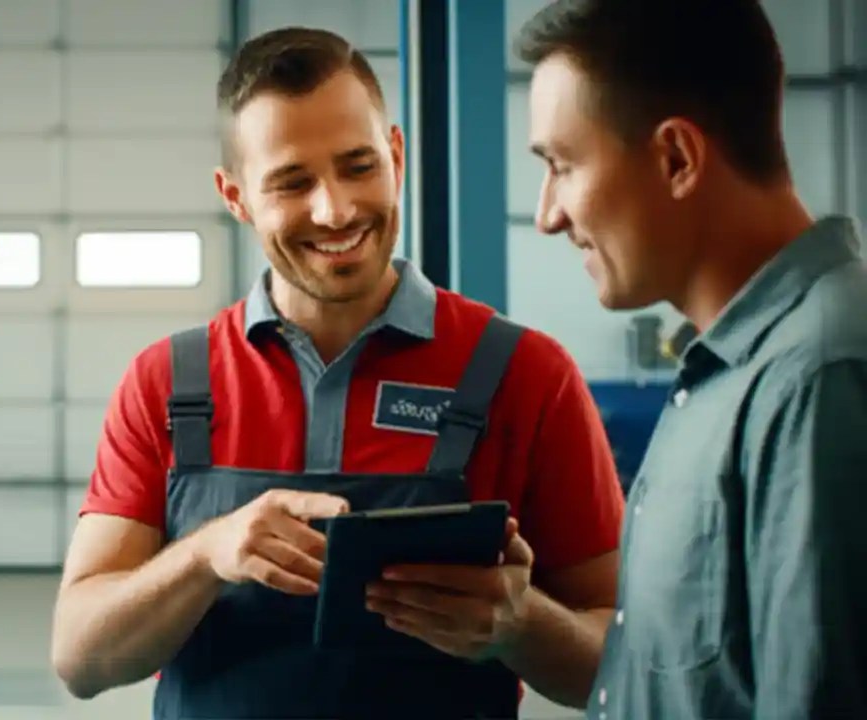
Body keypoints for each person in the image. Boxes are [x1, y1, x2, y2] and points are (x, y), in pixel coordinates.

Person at [51, 26, 625, 718]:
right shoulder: (168, 384)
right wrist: (205, 555)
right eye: (293, 182)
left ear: (397, 156)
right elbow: (80, 657)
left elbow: (628, 660)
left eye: (358, 166)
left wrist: (522, 625)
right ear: (235, 197)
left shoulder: (526, 375)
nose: (337, 209)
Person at [515, 1, 867, 718]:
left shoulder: (818, 378)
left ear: (677, 158)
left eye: (562, 165)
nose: (547, 213)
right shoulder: (724, 377)